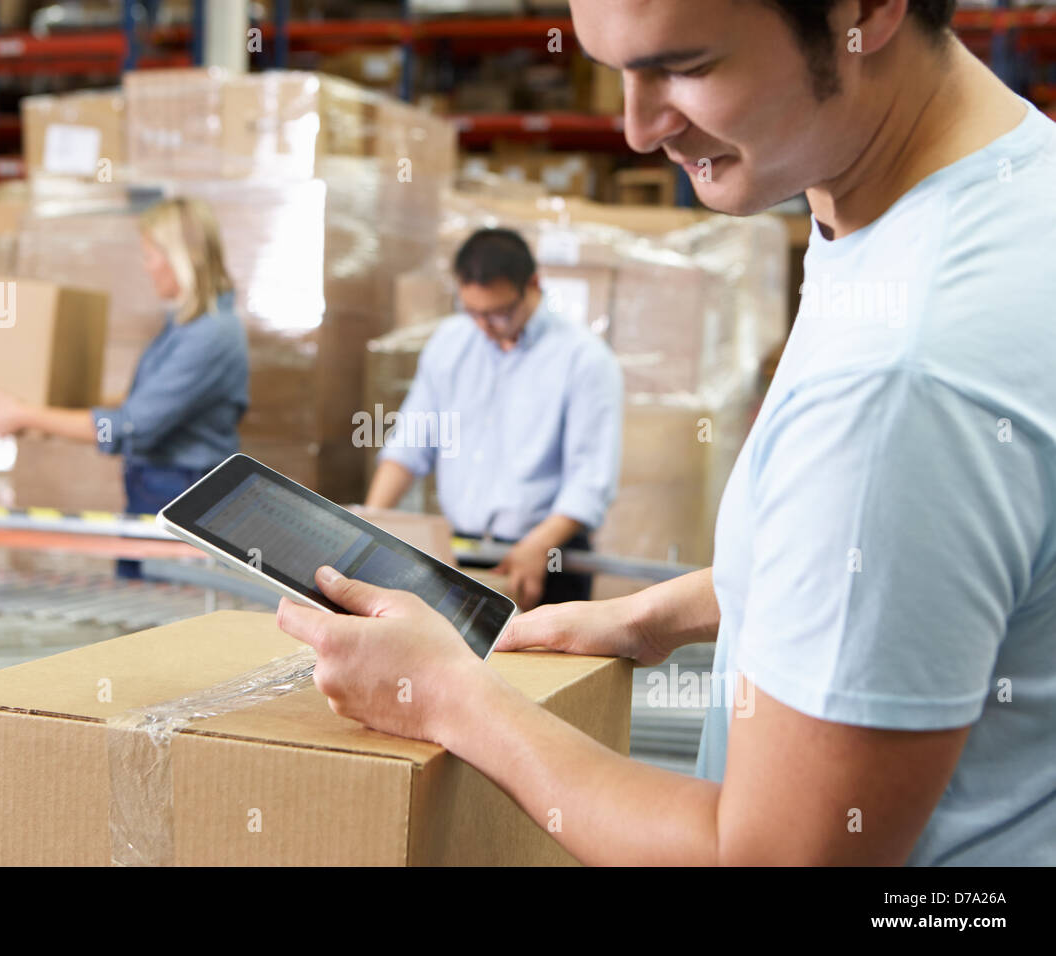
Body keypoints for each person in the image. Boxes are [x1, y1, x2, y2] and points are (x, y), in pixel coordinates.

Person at [276, 0, 1056, 864]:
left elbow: (765, 858)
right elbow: (920, 570)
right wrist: (656, 615)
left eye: (685, 68)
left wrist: (450, 699)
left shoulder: (899, 374)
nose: (639, 129)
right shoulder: (981, 192)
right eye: (617, 71)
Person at [0, 197, 249, 579]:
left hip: (181, 489)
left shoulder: (210, 334)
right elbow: (141, 401)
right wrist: (58, 406)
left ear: (183, 257)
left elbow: (129, 426)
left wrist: (27, 416)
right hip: (161, 485)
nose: (147, 268)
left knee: (163, 615)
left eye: (150, 256)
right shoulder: (187, 325)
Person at [363, 227, 622, 610]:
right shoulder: (451, 342)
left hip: (546, 558)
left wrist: (538, 546)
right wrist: (371, 526)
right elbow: (410, 444)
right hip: (459, 553)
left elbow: (589, 480)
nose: (485, 326)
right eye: (473, 312)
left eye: (499, 313)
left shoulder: (583, 359)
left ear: (533, 285)